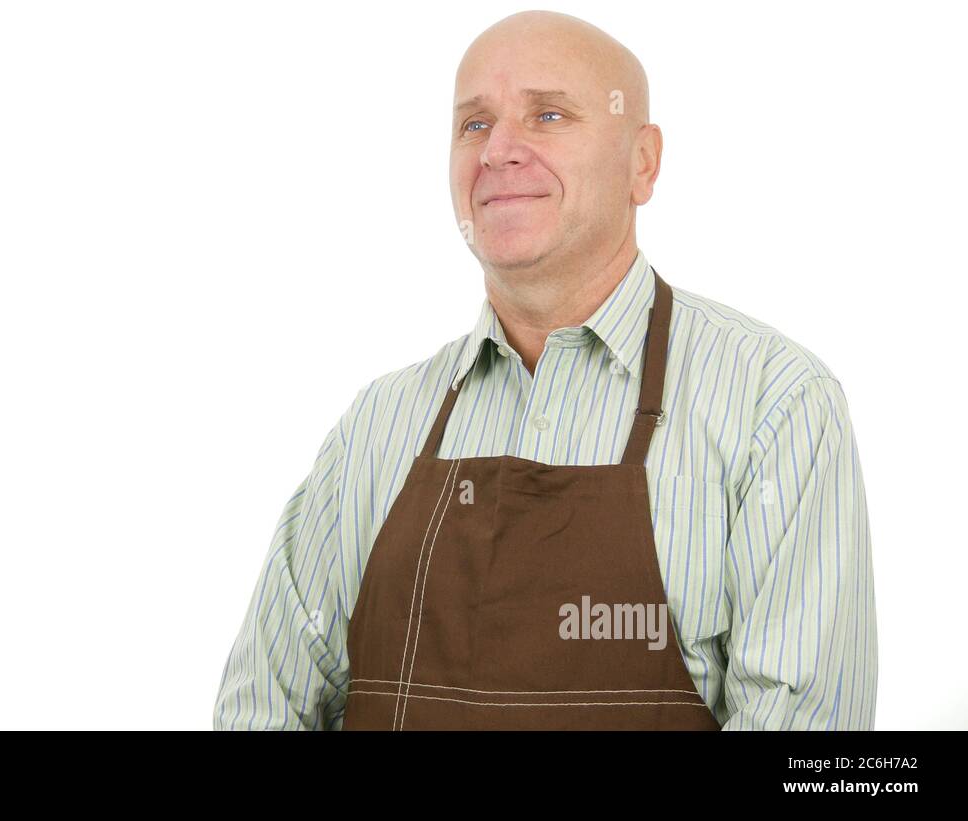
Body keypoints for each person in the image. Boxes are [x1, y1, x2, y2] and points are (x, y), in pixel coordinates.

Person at [213, 10, 877, 730]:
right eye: (474, 124)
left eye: (548, 114)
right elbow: (263, 707)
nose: (498, 150)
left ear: (642, 162)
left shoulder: (773, 406)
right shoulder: (374, 428)